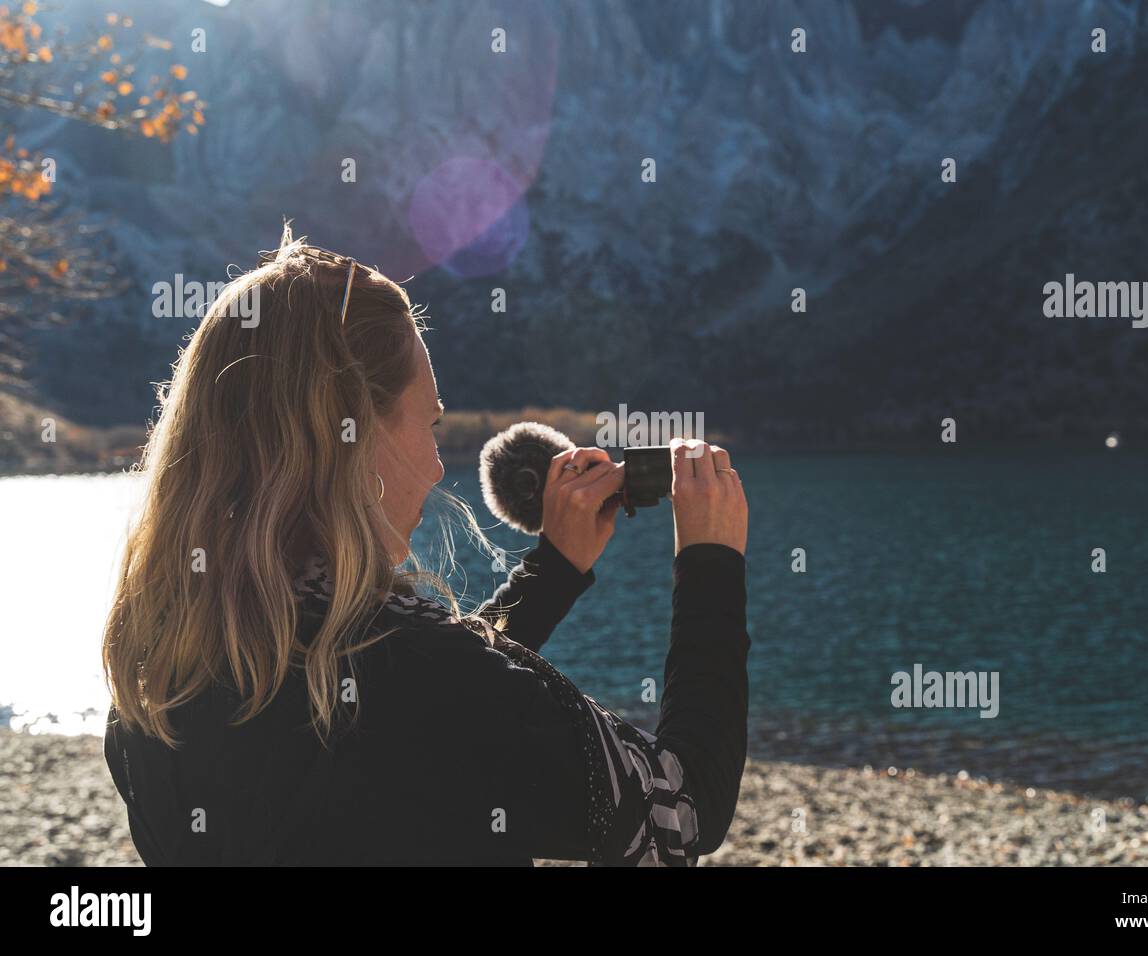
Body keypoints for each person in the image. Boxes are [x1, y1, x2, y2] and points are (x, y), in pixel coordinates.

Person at [101, 225, 751, 866]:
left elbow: (440, 702)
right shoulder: (416, 676)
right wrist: (711, 565)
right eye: (430, 423)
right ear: (351, 436)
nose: (438, 466)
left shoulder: (153, 677)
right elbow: (684, 807)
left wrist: (555, 569)